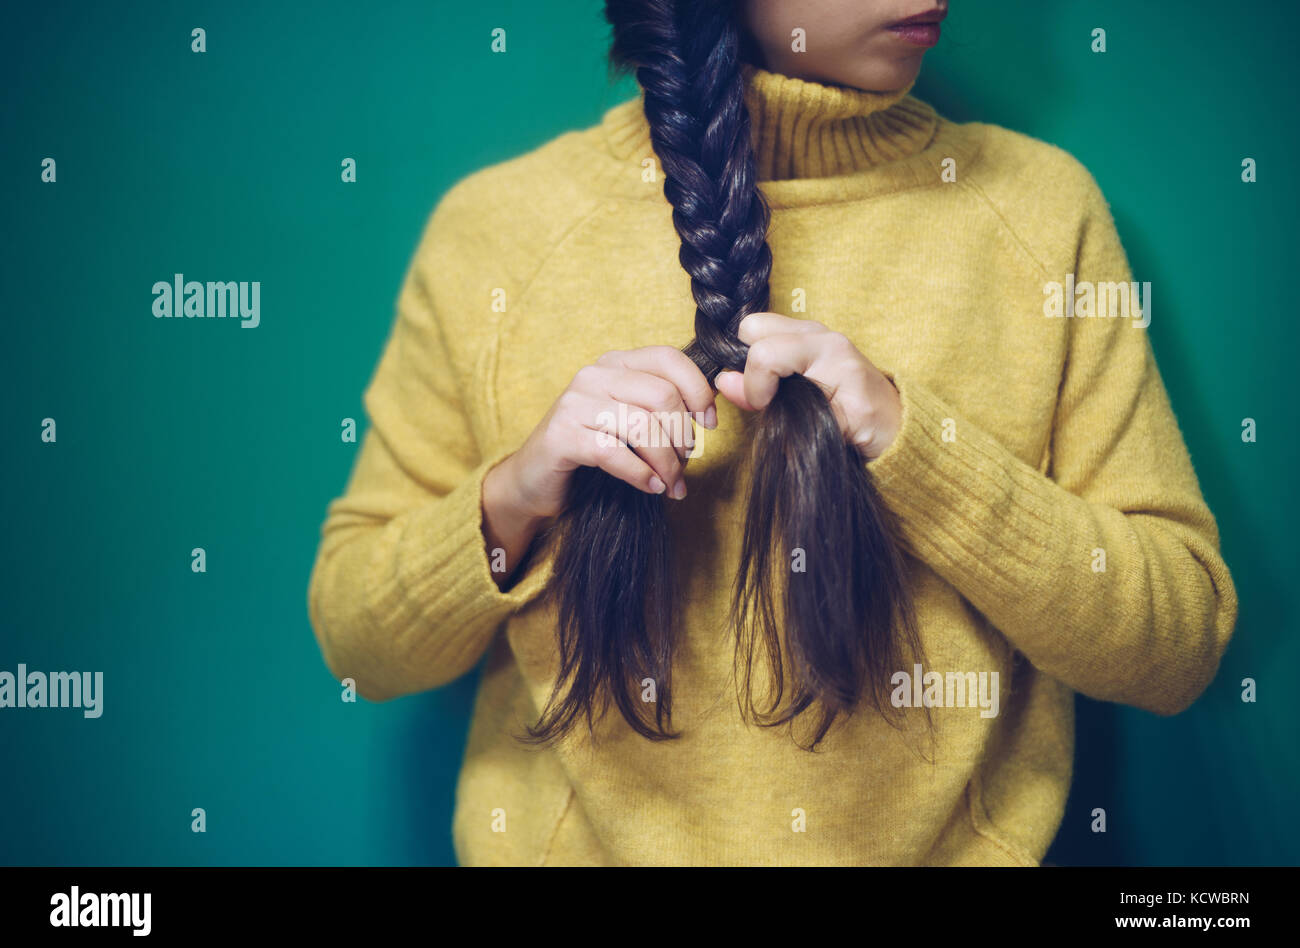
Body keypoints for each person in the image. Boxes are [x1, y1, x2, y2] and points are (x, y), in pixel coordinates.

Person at [307, 0, 1238, 865]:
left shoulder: (1040, 211)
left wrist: (923, 457)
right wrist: (515, 494)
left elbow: (1178, 644)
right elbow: (358, 638)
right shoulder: (497, 232)